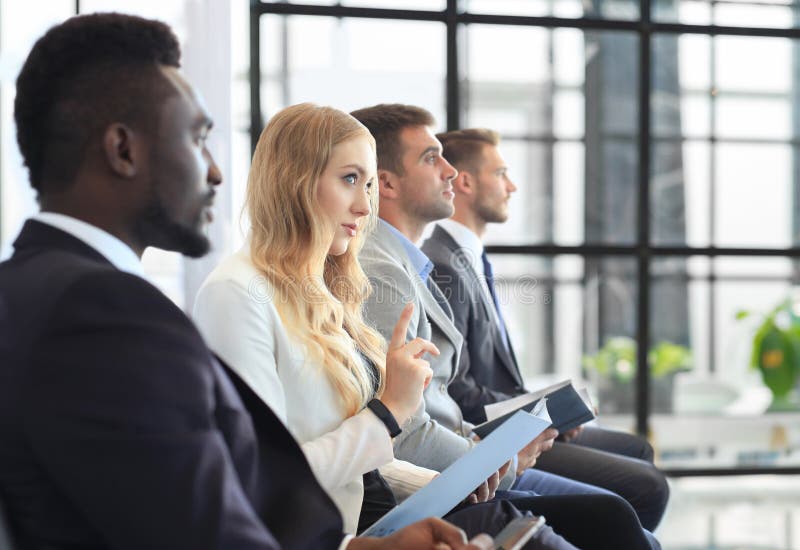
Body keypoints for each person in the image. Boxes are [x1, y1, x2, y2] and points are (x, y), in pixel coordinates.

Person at [0, 14, 491, 550]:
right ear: (124, 150)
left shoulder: (34, 287)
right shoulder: (105, 307)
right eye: (196, 138)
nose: (214, 172)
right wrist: (389, 414)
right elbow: (216, 517)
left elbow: (214, 493)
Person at [193, 103, 576, 550]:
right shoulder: (237, 293)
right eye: (349, 179)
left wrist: (443, 484)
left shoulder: (320, 291)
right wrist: (389, 410)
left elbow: (359, 465)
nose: (364, 205)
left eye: (370, 184)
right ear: (292, 181)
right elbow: (263, 478)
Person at [351, 103, 663, 550]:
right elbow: (408, 423)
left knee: (626, 510)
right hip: (445, 481)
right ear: (387, 182)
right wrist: (496, 456)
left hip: (465, 454)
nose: (449, 172)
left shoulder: (411, 264)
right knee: (624, 508)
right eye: (430, 158)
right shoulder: (388, 272)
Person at [422, 128, 670, 530]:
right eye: (501, 173)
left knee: (636, 451)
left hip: (508, 419)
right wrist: (539, 413)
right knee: (645, 482)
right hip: (488, 432)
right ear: (465, 182)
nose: (512, 185)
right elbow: (455, 389)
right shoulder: (444, 264)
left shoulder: (466, 257)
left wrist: (545, 408)